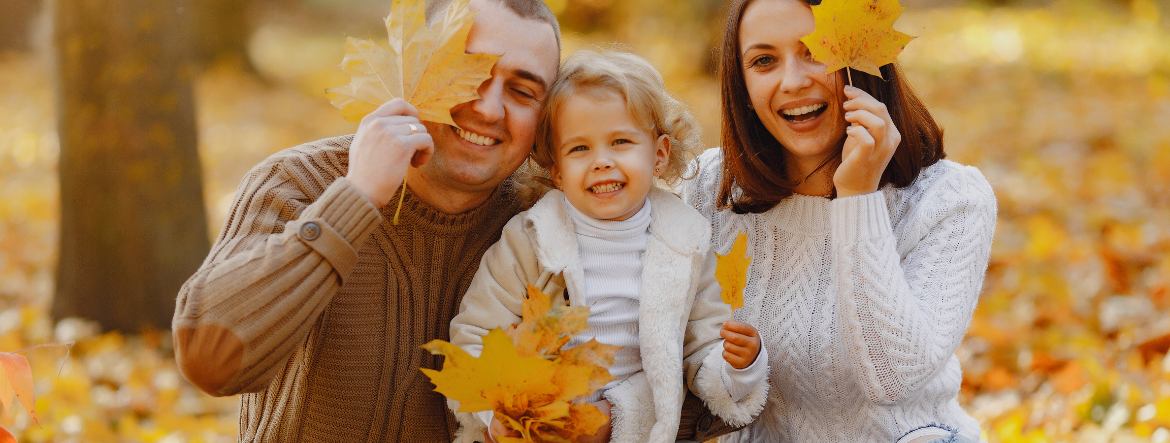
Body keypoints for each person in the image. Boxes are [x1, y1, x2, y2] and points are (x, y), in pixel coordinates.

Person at [169, 0, 560, 441]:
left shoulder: (547, 231)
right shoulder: (296, 185)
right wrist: (356, 198)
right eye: (468, 72)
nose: (489, 109)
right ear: (411, 70)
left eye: (523, 92)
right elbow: (210, 361)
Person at [681, 0, 997, 442]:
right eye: (764, 60)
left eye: (814, 50)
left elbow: (892, 380)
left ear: (862, 59)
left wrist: (858, 198)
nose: (792, 81)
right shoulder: (709, 189)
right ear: (742, 83)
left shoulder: (949, 200)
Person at [447, 50, 770, 443]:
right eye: (579, 149)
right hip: (535, 423)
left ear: (659, 154)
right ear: (558, 172)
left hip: (630, 429)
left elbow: (703, 344)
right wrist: (495, 413)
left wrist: (738, 366)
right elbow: (476, 333)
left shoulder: (685, 242)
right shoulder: (531, 238)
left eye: (620, 142)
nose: (601, 161)